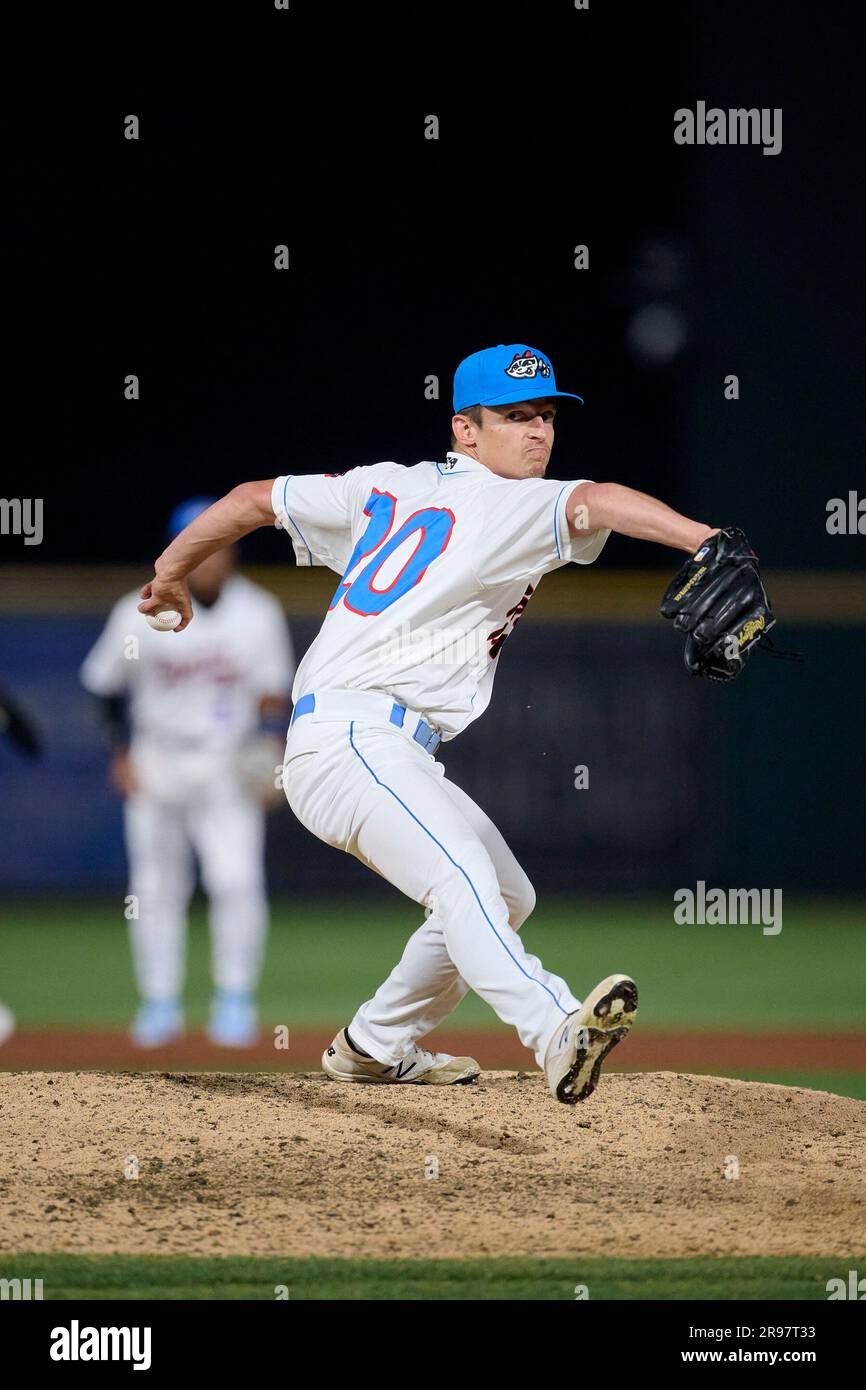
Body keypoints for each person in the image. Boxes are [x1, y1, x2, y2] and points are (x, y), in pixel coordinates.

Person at [137, 345, 721, 1102]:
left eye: (546, 414)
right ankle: (554, 1029)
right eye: (515, 417)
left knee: (506, 896)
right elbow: (600, 500)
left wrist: (170, 570)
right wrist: (705, 540)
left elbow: (253, 497)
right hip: (353, 740)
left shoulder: (385, 485)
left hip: (370, 745)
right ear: (466, 431)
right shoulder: (513, 503)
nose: (538, 431)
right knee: (462, 881)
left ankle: (375, 1044)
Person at [81, 498, 295, 1048]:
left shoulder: (258, 612)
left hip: (229, 761)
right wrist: (120, 751)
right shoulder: (140, 609)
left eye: (219, 545)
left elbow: (274, 691)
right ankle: (159, 1003)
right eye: (198, 544)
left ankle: (235, 998)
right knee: (154, 889)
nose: (210, 556)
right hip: (158, 760)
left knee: (237, 882)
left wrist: (272, 750)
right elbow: (105, 684)